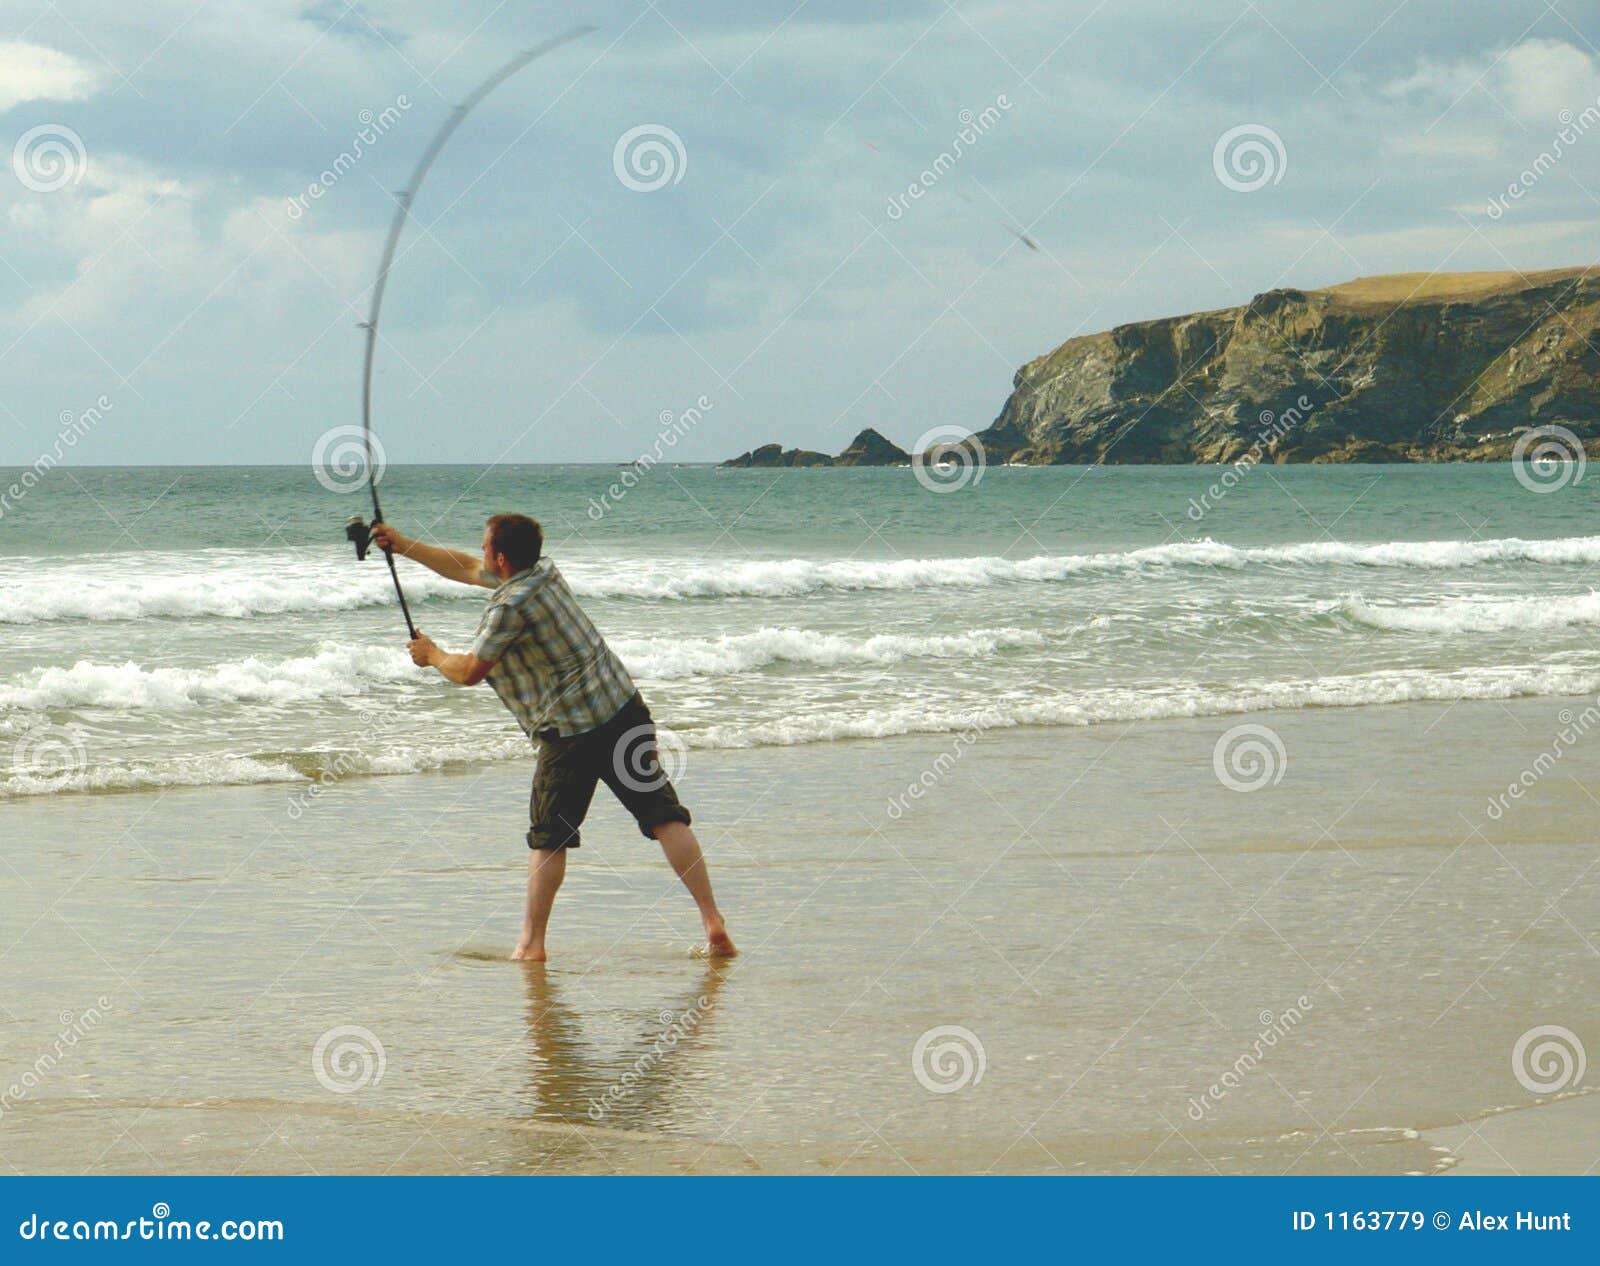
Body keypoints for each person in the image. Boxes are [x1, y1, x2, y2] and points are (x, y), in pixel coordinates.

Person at [370, 514, 735, 962]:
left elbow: (468, 673)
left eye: (486, 547)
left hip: (570, 734)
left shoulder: (508, 608)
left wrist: (433, 655)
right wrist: (402, 544)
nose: (480, 552)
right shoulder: (544, 572)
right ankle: (711, 919)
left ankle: (531, 944)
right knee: (664, 816)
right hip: (622, 708)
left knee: (550, 838)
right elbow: (464, 567)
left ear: (501, 558)